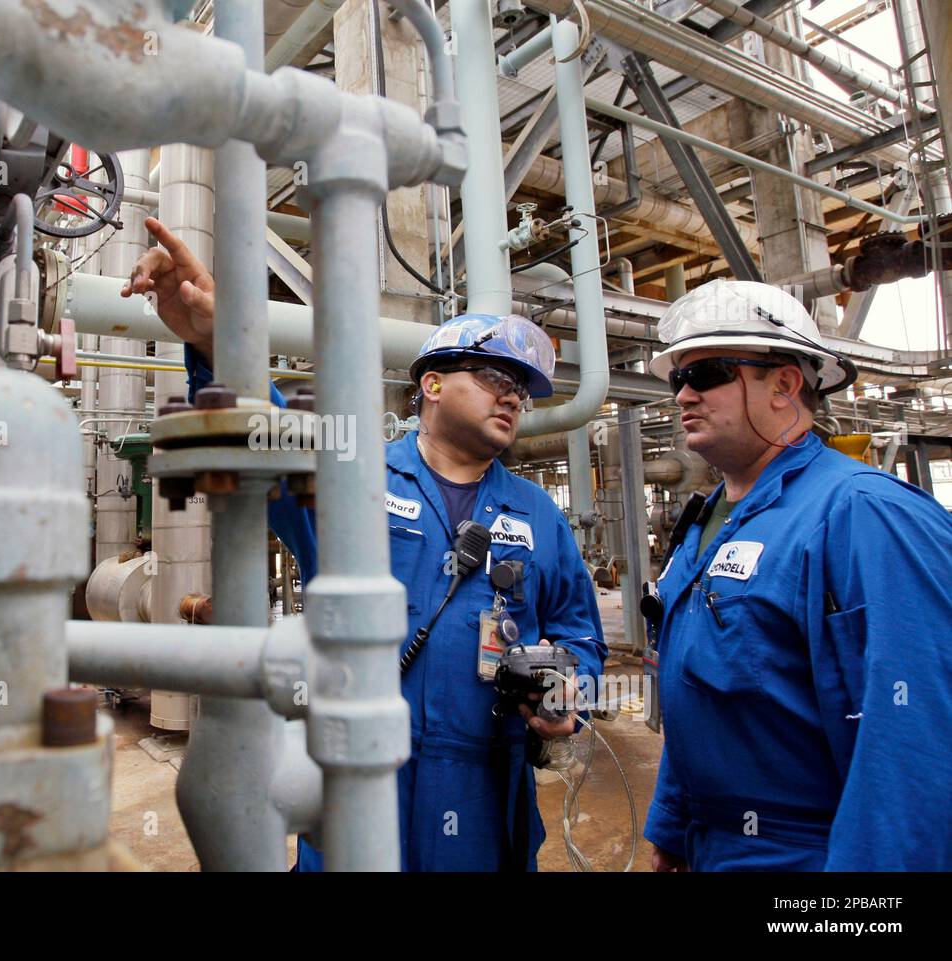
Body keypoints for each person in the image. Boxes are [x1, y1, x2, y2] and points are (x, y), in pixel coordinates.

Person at [122, 216, 605, 872]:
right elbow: (264, 439)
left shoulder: (538, 514)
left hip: (487, 793)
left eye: (522, 388)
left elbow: (579, 633)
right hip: (357, 780)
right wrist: (216, 342)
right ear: (431, 384)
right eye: (494, 375)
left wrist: (568, 691)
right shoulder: (353, 478)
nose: (513, 396)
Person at [642, 279, 952, 872]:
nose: (682, 395)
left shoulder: (865, 513)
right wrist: (674, 826)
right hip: (717, 844)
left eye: (705, 374)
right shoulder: (707, 522)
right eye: (677, 378)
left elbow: (916, 741)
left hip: (812, 853)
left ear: (784, 384)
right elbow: (699, 693)